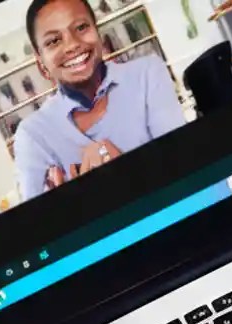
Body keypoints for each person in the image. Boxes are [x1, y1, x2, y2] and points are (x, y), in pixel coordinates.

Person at [13, 0, 186, 200]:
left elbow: (183, 164)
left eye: (81, 27)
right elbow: (37, 224)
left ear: (98, 33)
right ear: (41, 63)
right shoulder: (32, 135)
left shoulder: (147, 73)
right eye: (53, 41)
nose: (72, 45)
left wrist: (119, 174)